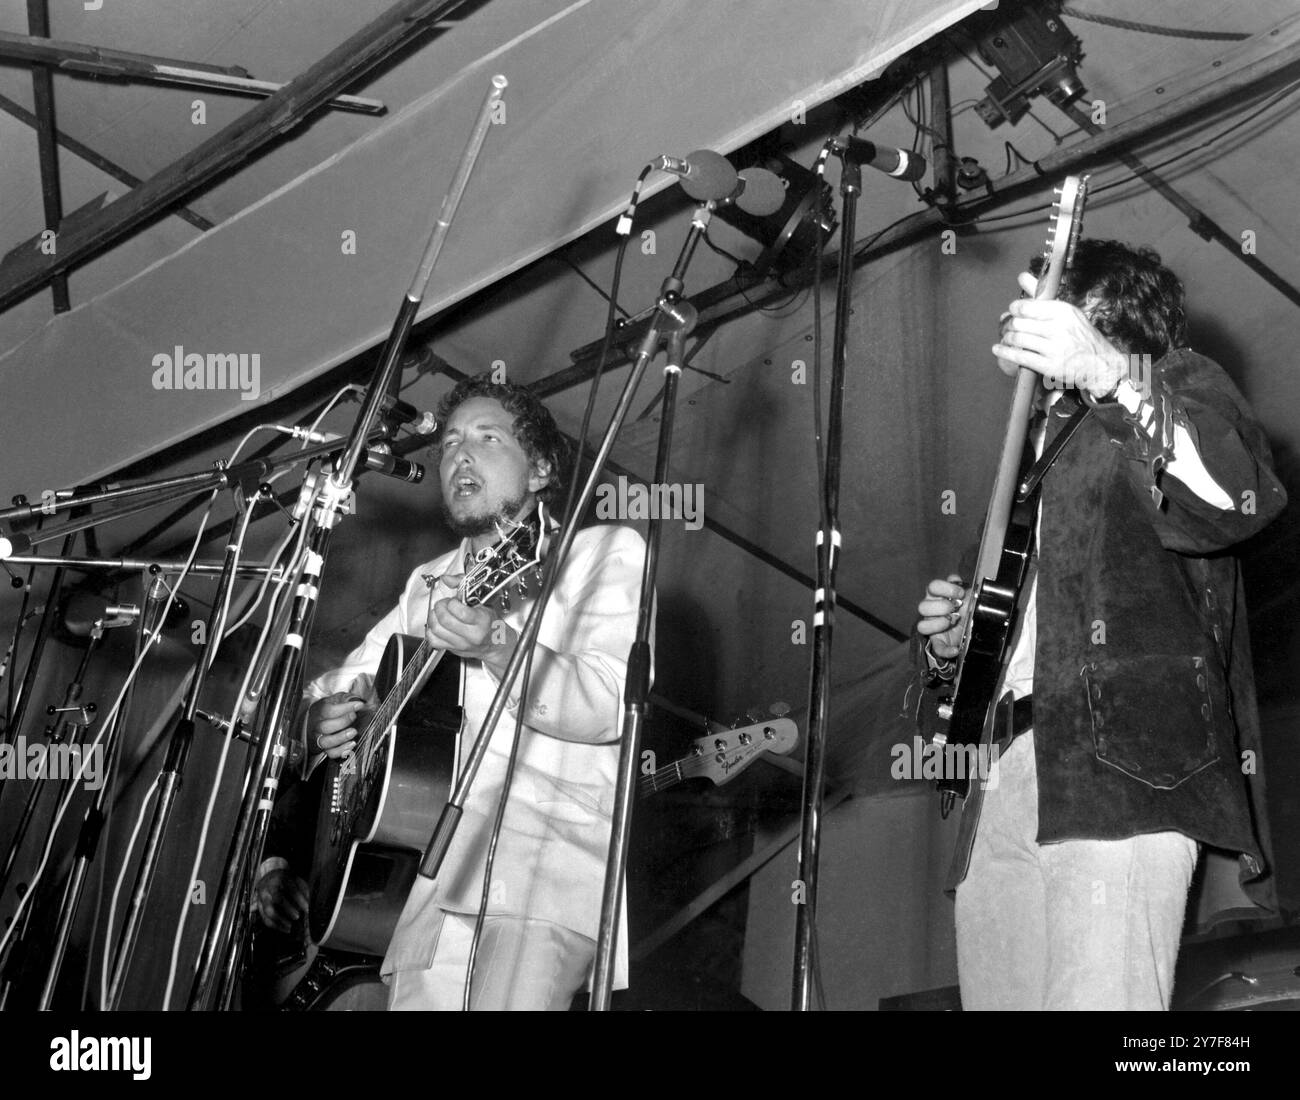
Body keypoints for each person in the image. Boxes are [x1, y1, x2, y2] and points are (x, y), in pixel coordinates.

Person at [913, 239, 1285, 1010]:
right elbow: (998, 640)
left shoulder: (1178, 384)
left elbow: (1239, 497)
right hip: (1003, 778)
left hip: (1120, 767)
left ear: (1108, 319)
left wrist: (1112, 376)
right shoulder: (1026, 461)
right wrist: (956, 644)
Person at [254, 375, 645, 1010]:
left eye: (487, 439)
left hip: (538, 876)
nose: (460, 454)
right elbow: (337, 686)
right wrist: (316, 721)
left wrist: (496, 645)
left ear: (541, 469)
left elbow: (607, 705)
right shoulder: (428, 583)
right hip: (423, 893)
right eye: (451, 443)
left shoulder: (600, 554)